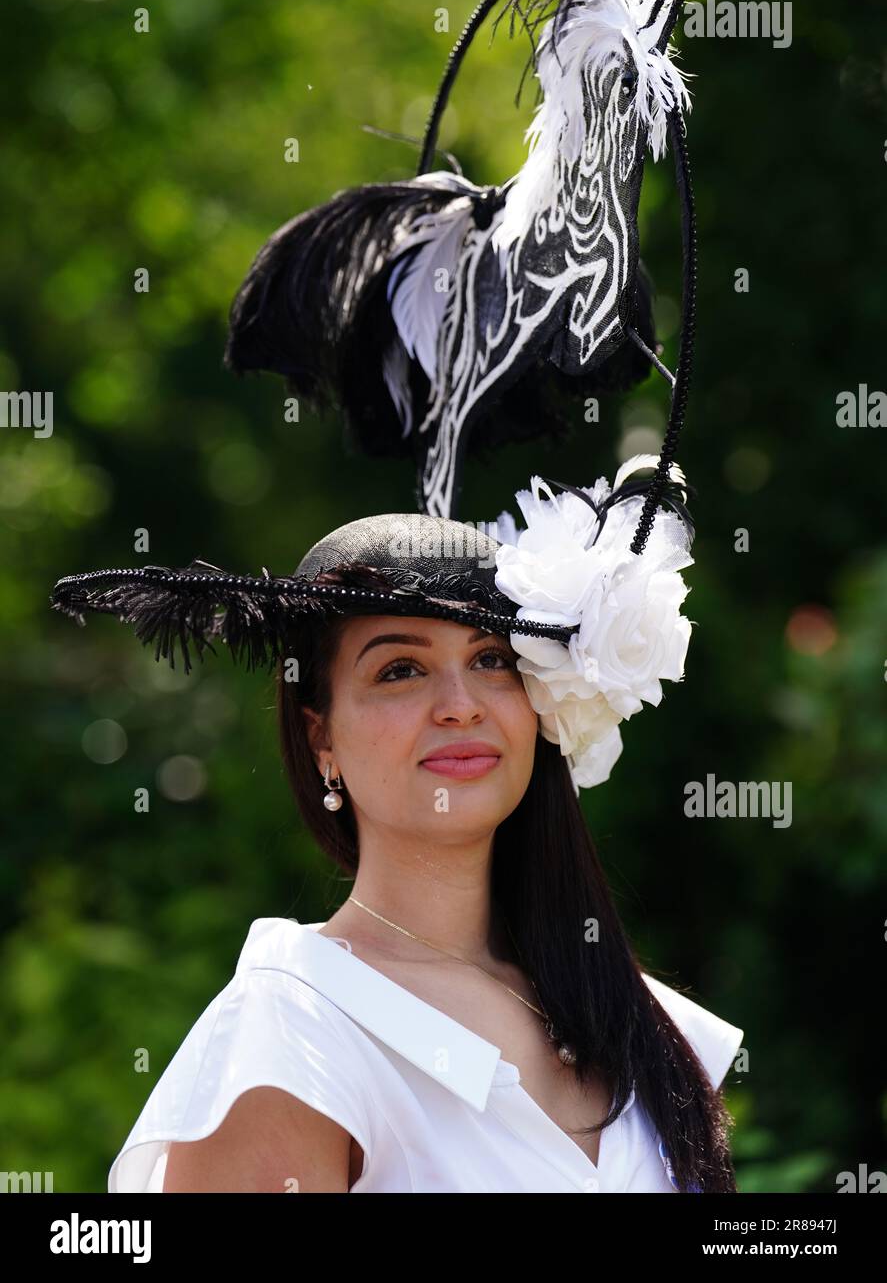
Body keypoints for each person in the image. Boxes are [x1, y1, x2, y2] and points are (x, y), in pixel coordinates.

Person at [50, 466, 744, 1193]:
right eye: (400, 670)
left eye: (490, 660)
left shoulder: (636, 1019)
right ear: (322, 739)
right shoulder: (293, 1034)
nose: (459, 704)